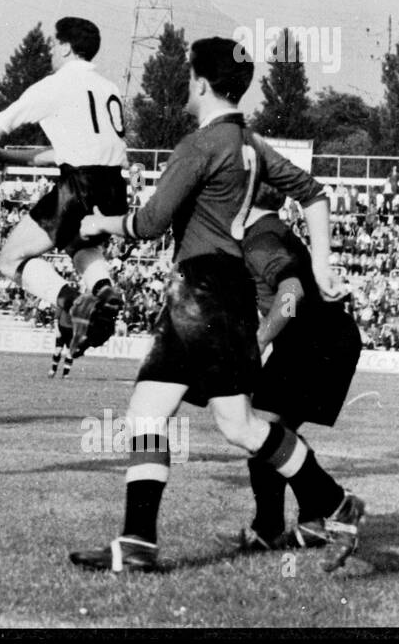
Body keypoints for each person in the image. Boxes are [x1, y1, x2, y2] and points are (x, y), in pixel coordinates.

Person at [71, 37, 363, 574]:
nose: (187, 85)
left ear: (200, 83)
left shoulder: (199, 145)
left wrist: (99, 224)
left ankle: (334, 504)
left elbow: (150, 223)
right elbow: (316, 193)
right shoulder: (249, 143)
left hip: (202, 294)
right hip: (217, 296)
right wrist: (321, 264)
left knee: (207, 421)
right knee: (188, 417)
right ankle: (139, 542)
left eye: (188, 78)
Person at [0, 17, 127, 376]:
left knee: (9, 261)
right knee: (81, 248)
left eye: (53, 44)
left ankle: (73, 302)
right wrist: (4, 157)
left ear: (65, 47)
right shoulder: (108, 87)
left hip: (79, 183)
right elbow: (64, 151)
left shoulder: (55, 85)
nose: (50, 51)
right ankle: (104, 289)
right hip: (113, 185)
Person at [220, 182, 363, 552]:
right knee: (272, 434)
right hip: (326, 337)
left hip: (314, 340)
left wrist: (259, 341)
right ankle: (307, 523)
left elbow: (290, 295)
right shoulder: (274, 231)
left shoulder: (260, 238)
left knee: (262, 431)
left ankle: (321, 510)